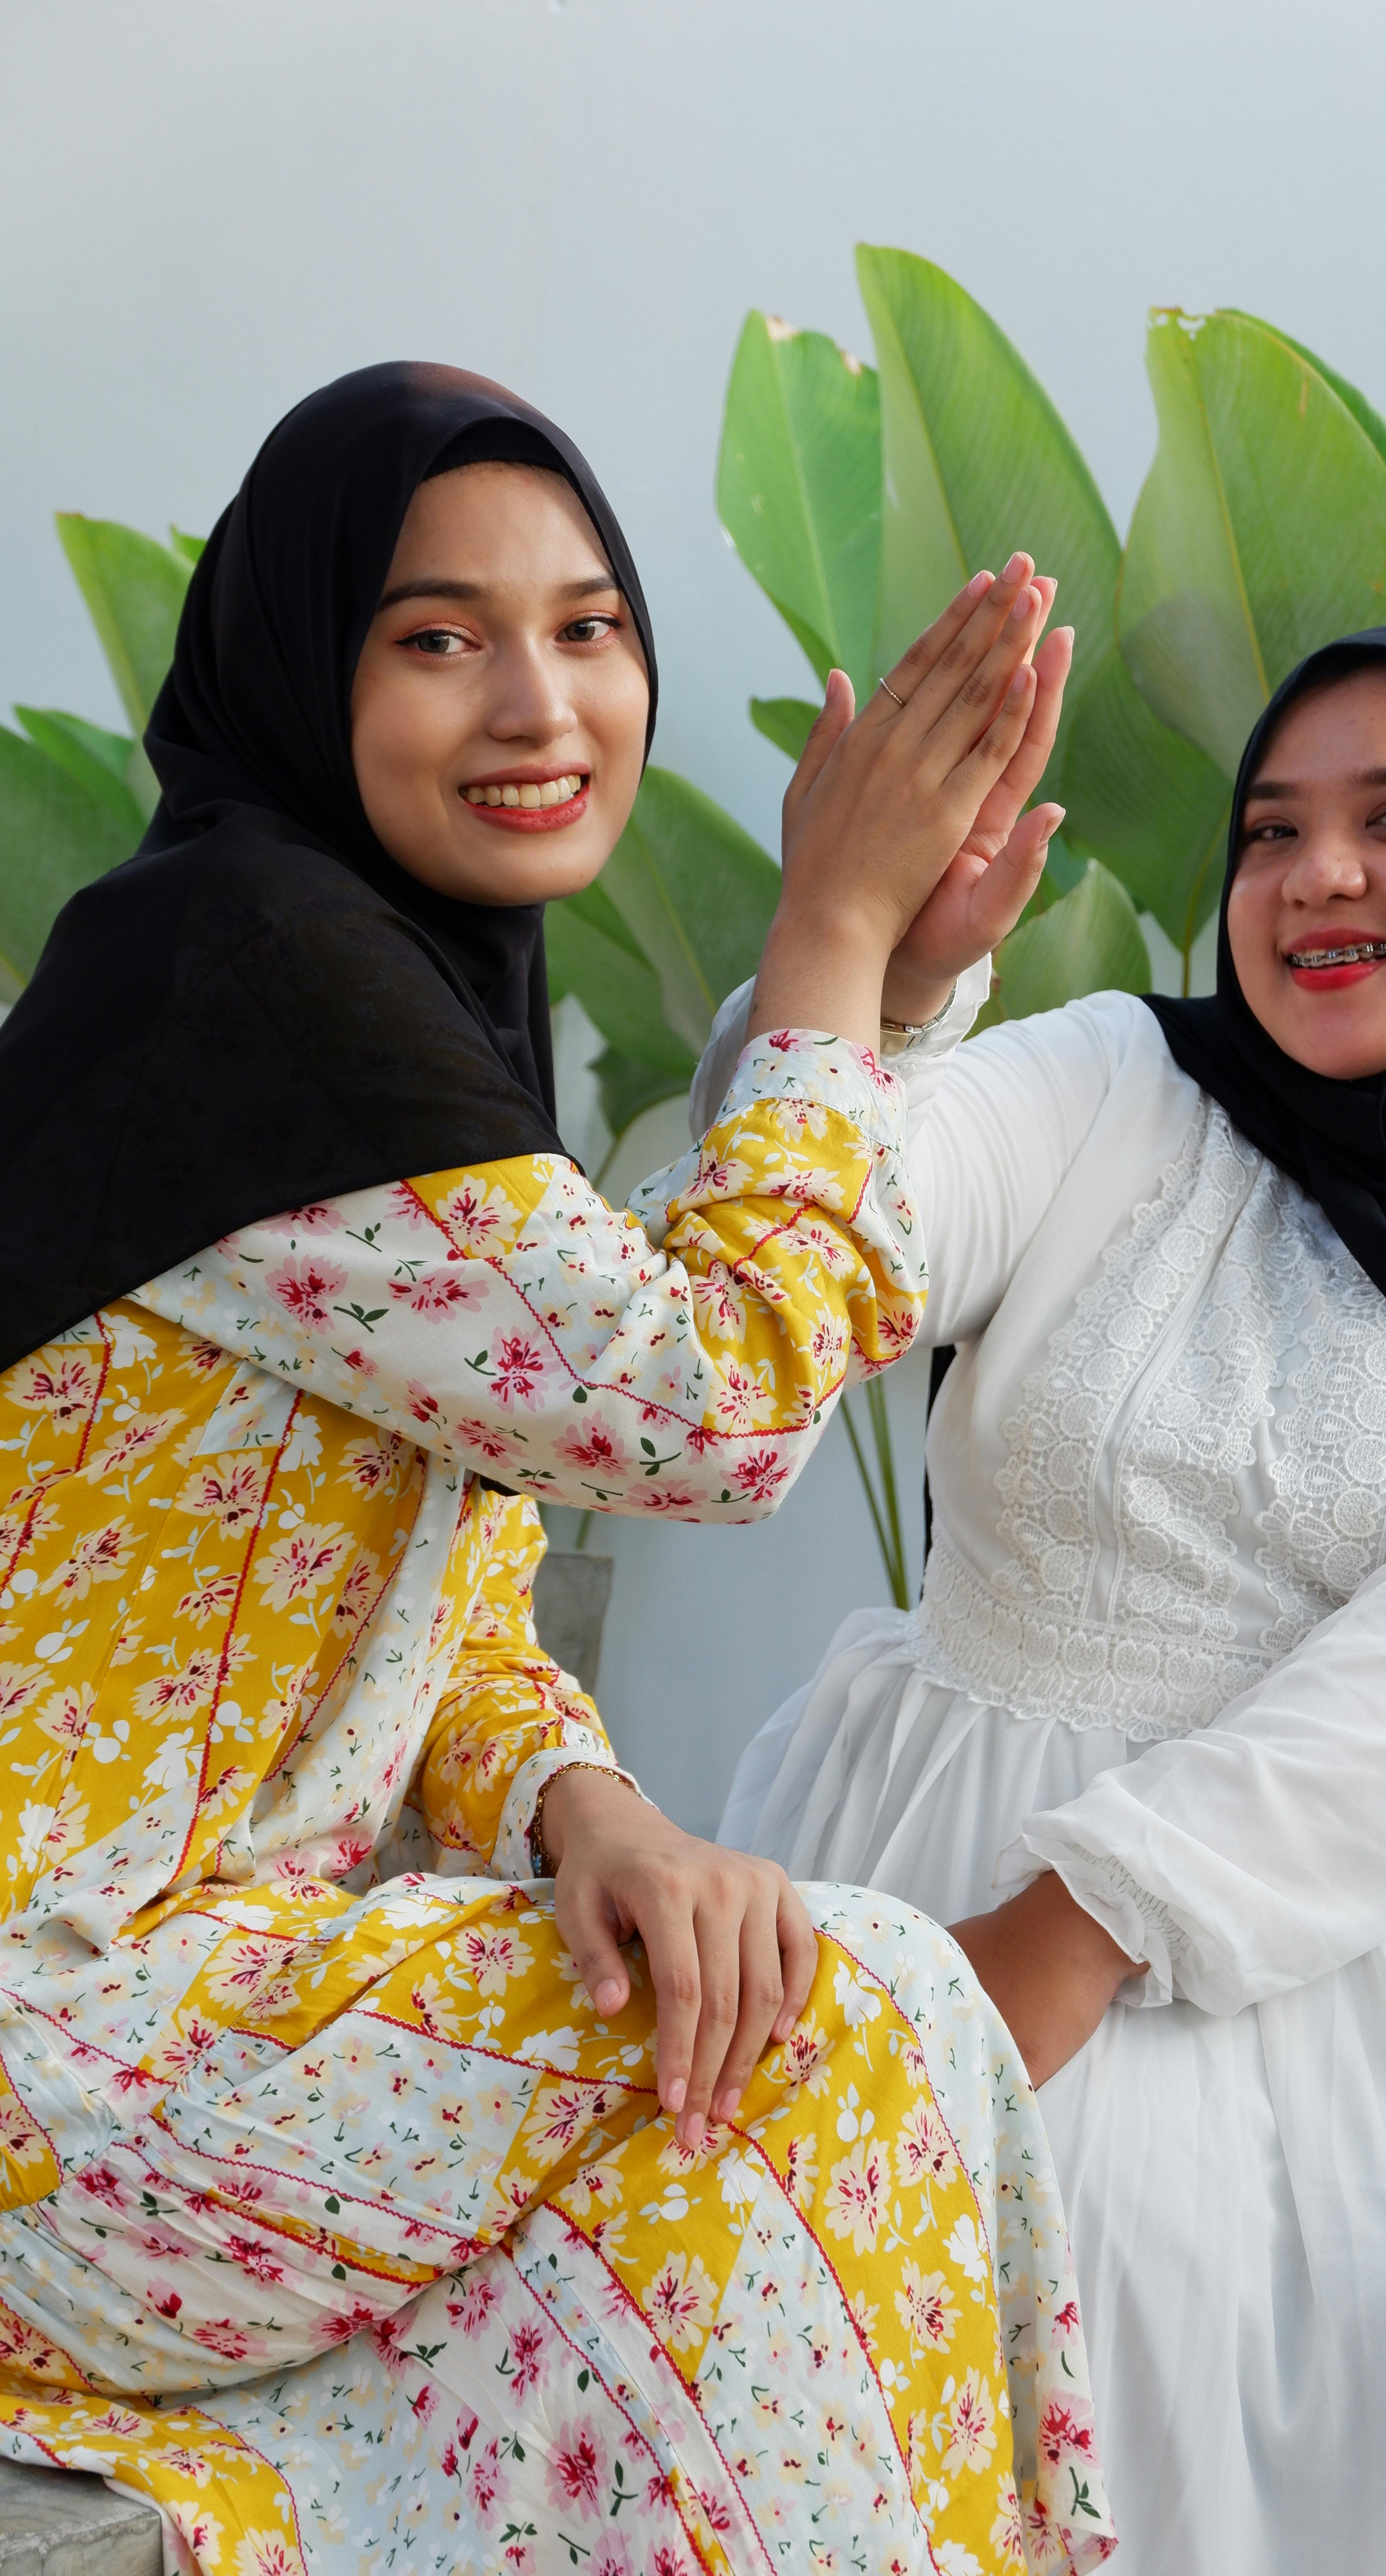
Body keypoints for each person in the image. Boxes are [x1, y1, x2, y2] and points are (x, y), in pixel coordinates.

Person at [0, 362, 1117, 2573]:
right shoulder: (245, 975)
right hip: (66, 2060)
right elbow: (710, 1413)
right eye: (437, 638)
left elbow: (463, 1603)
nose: (539, 704)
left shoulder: (361, 975)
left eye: (591, 628)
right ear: (308, 669)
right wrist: (831, 942)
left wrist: (585, 1810)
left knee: (725, 2064)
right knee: (861, 2002)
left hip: (191, 2025)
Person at [711, 627, 1386, 2574]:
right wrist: (876, 969)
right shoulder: (1117, 1080)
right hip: (930, 1842)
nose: (1313, 875)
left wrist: (1035, 1966)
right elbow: (827, 1233)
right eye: (1272, 830)